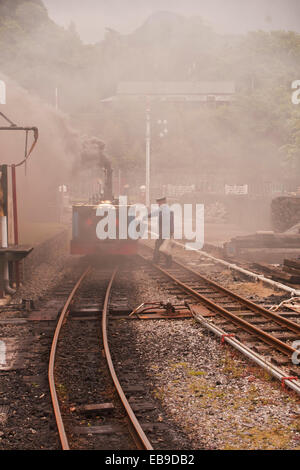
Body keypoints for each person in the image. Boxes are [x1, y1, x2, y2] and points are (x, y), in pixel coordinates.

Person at [148, 196, 174, 266]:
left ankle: (156, 261)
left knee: (159, 246)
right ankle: (167, 262)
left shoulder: (164, 209)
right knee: (163, 247)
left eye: (158, 203)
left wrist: (145, 216)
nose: (158, 204)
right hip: (166, 232)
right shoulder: (166, 208)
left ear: (162, 202)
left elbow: (168, 221)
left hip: (165, 232)